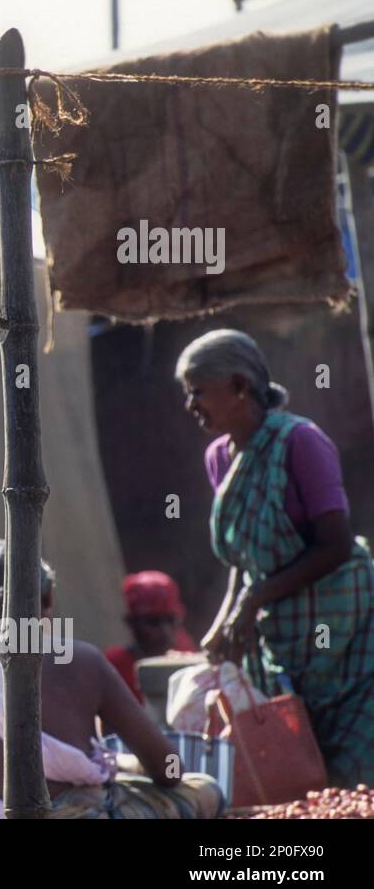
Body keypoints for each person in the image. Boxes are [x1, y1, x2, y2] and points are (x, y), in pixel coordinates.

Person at [177, 328, 374, 787]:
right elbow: (243, 557)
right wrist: (225, 621)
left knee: (354, 772)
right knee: (296, 769)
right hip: (283, 638)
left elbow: (336, 543)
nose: (191, 406)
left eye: (198, 392)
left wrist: (253, 601)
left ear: (241, 387)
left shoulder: (300, 443)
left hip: (345, 633)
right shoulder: (219, 459)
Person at [0, 538, 223, 819]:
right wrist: (119, 766)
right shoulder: (82, 659)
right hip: (59, 813)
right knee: (206, 790)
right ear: (48, 596)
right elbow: (168, 769)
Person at [103, 571, 199, 703]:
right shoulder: (114, 665)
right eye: (153, 621)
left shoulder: (188, 655)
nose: (164, 631)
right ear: (132, 623)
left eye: (170, 620)